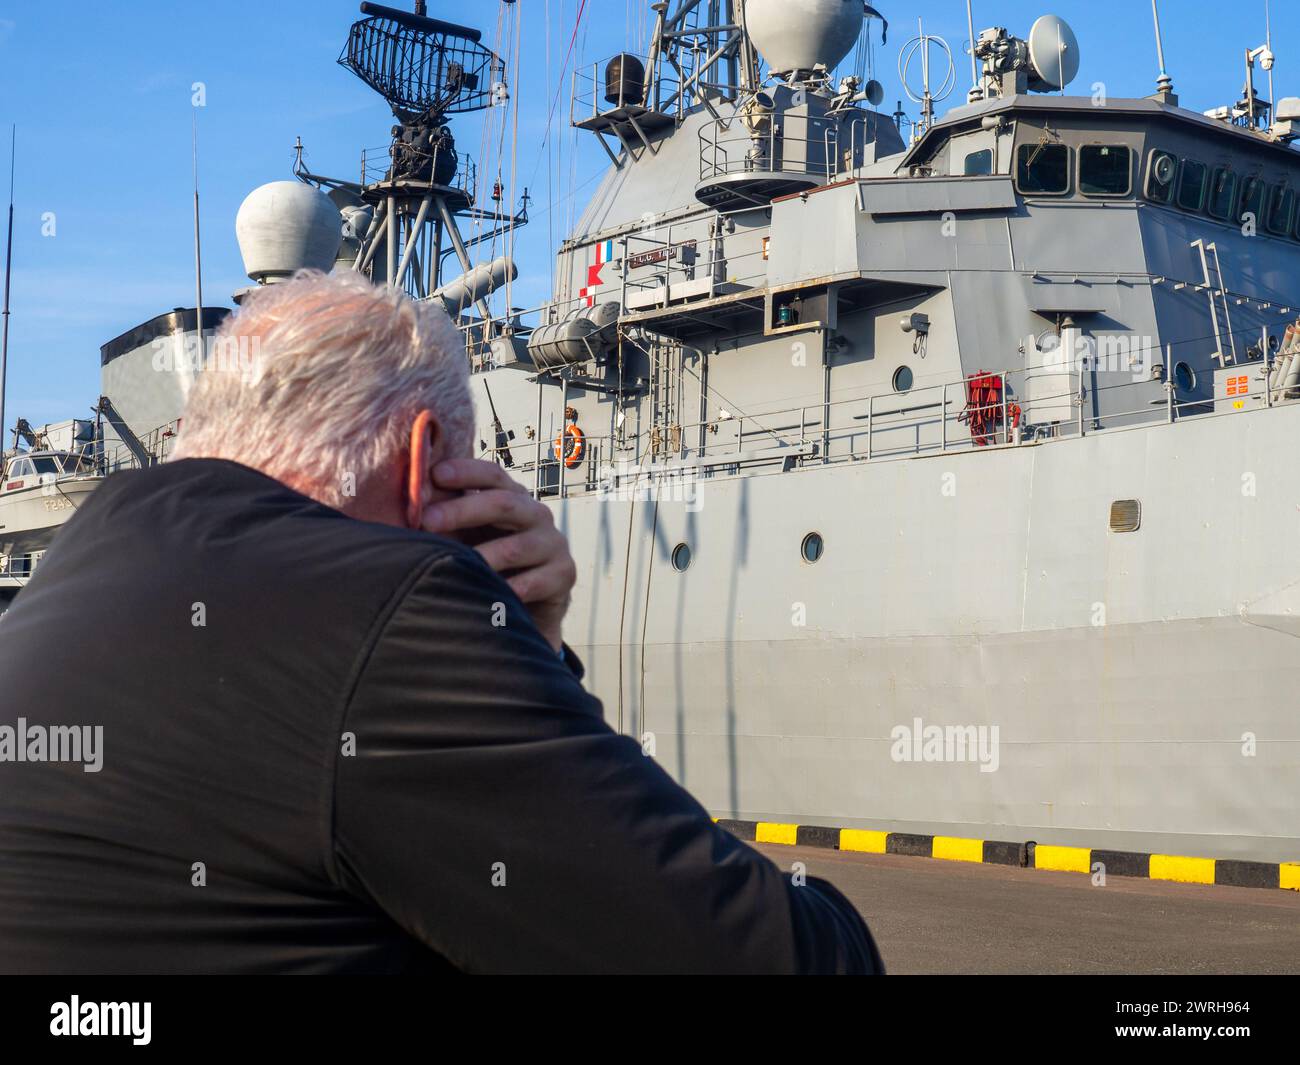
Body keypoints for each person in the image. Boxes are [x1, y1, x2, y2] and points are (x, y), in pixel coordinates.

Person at [0, 272, 882, 974]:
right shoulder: (392, 604)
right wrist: (515, 634)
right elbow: (772, 953)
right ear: (430, 465)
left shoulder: (63, 578)